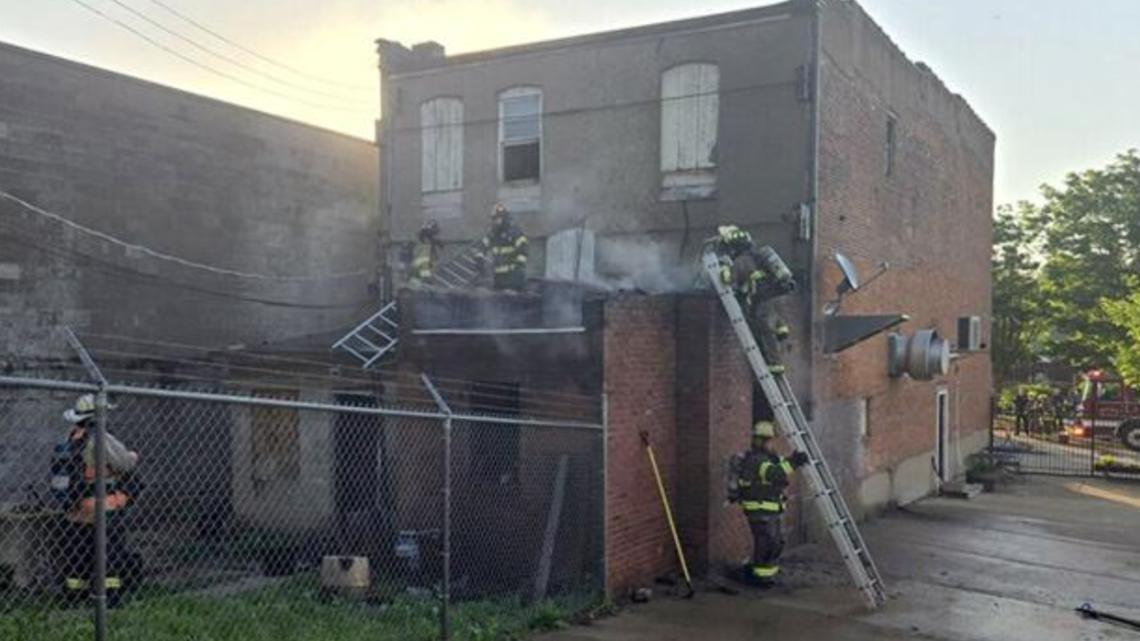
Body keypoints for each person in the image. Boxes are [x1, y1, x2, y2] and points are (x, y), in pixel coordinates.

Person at [50, 394, 141, 604]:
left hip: (74, 510)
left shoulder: (69, 437)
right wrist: (132, 456)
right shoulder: (99, 437)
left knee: (77, 555)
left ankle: (74, 596)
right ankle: (109, 598)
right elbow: (124, 463)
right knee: (109, 554)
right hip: (102, 507)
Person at [730, 421, 809, 587]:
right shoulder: (756, 460)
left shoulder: (769, 457)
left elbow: (779, 465)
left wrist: (791, 459)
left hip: (772, 508)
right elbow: (774, 473)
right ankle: (758, 578)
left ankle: (766, 575)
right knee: (766, 542)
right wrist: (794, 462)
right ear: (759, 440)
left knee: (777, 542)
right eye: (767, 440)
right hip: (758, 508)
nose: (770, 443)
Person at [717, 241, 796, 374]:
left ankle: (775, 364)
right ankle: (781, 328)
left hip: (762, 298)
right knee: (766, 317)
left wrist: (724, 266)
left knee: (764, 330)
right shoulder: (757, 257)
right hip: (774, 295)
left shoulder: (741, 261)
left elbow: (727, 279)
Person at [477, 202, 528, 291]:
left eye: (498, 219)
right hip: (498, 278)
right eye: (494, 219)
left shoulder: (514, 232)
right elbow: (483, 245)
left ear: (504, 218)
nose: (495, 221)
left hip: (513, 277)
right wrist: (479, 258)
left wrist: (519, 267)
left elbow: (523, 250)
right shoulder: (493, 234)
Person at [409, 220, 442, 286]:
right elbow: (422, 264)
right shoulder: (422, 248)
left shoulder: (431, 246)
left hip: (426, 277)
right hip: (419, 279)